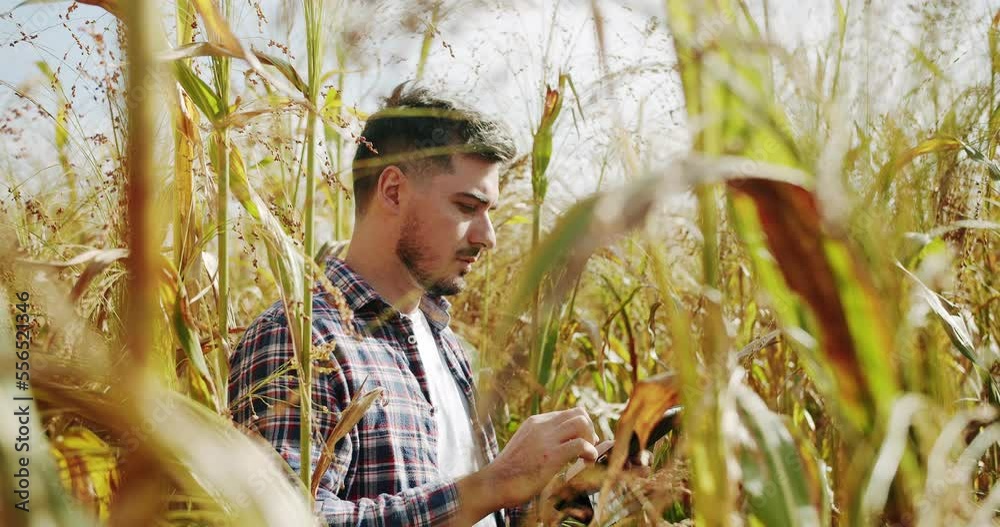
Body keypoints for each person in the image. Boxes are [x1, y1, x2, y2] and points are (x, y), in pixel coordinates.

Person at [228, 81, 602, 526]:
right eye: (467, 207)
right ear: (392, 191)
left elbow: (478, 512)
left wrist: (569, 495)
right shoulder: (301, 337)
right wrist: (494, 483)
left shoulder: (447, 347)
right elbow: (282, 518)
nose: (488, 237)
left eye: (490, 214)